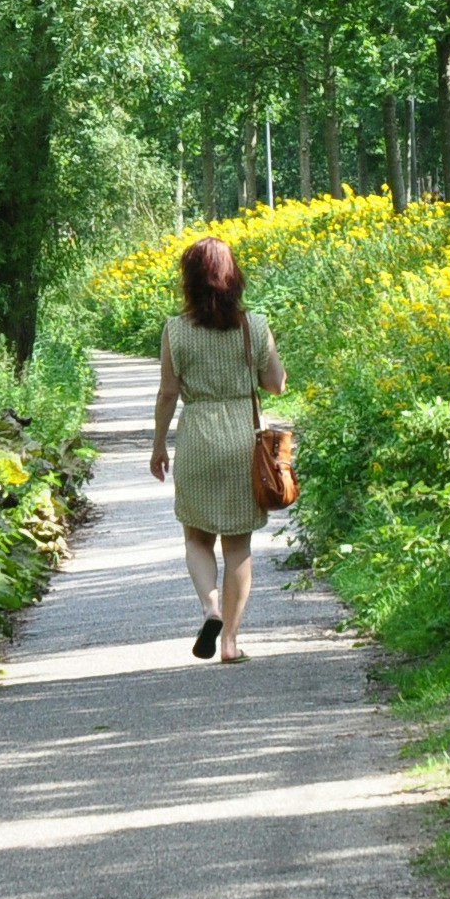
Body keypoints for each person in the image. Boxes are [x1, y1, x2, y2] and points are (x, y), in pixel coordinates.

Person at [149, 236, 285, 662]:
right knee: (238, 547)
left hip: (197, 439)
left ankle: (209, 609)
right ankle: (230, 643)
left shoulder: (175, 330)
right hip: (243, 440)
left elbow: (167, 394)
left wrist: (157, 447)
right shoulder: (255, 325)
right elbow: (275, 384)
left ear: (188, 281)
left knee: (196, 537)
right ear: (234, 279)